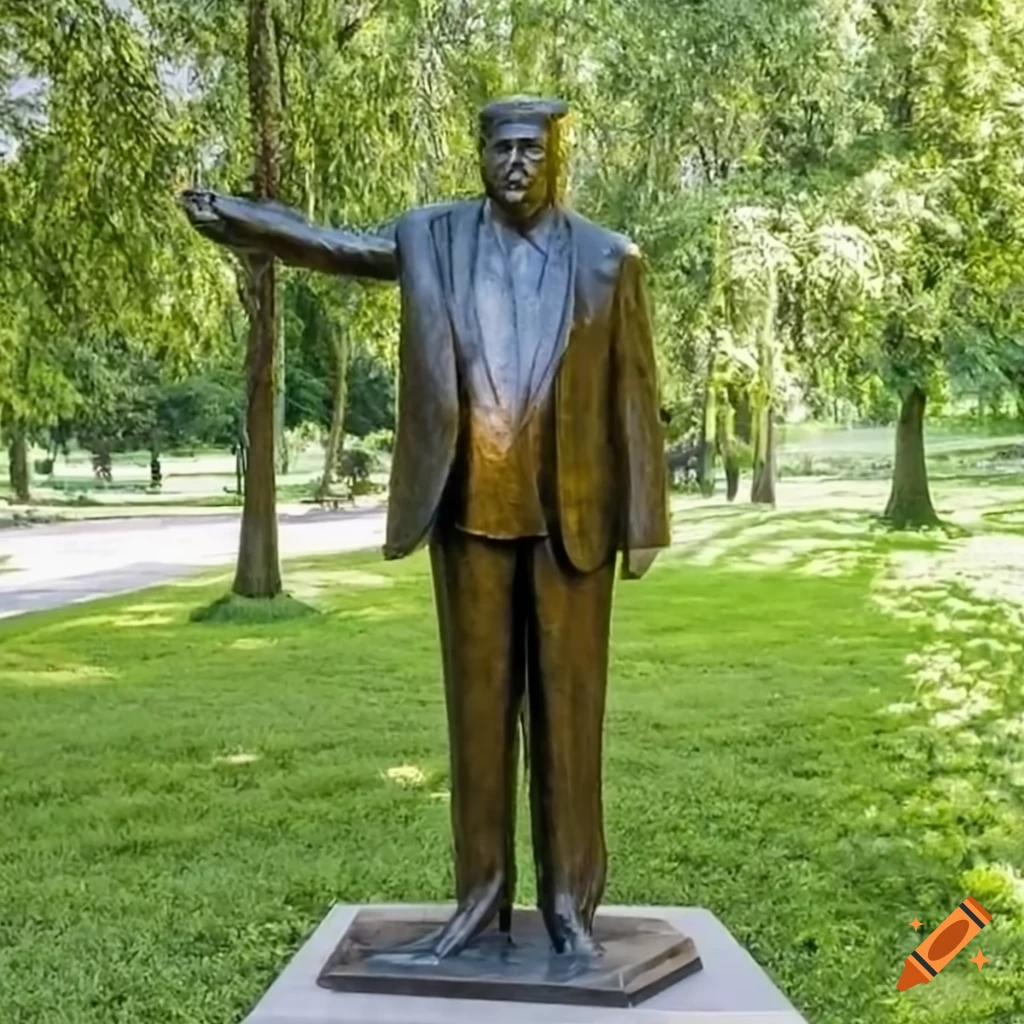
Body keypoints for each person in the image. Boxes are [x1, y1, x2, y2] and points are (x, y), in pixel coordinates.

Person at [179, 95, 669, 959]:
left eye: (530, 149)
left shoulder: (608, 259)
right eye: (500, 149)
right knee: (477, 720)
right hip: (468, 514)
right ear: (479, 156)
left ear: (556, 156)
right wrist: (246, 220)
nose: (515, 163)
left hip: (574, 527)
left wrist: (645, 525)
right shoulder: (429, 237)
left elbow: (635, 397)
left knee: (569, 722)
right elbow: (332, 244)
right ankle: (478, 902)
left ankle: (570, 913)